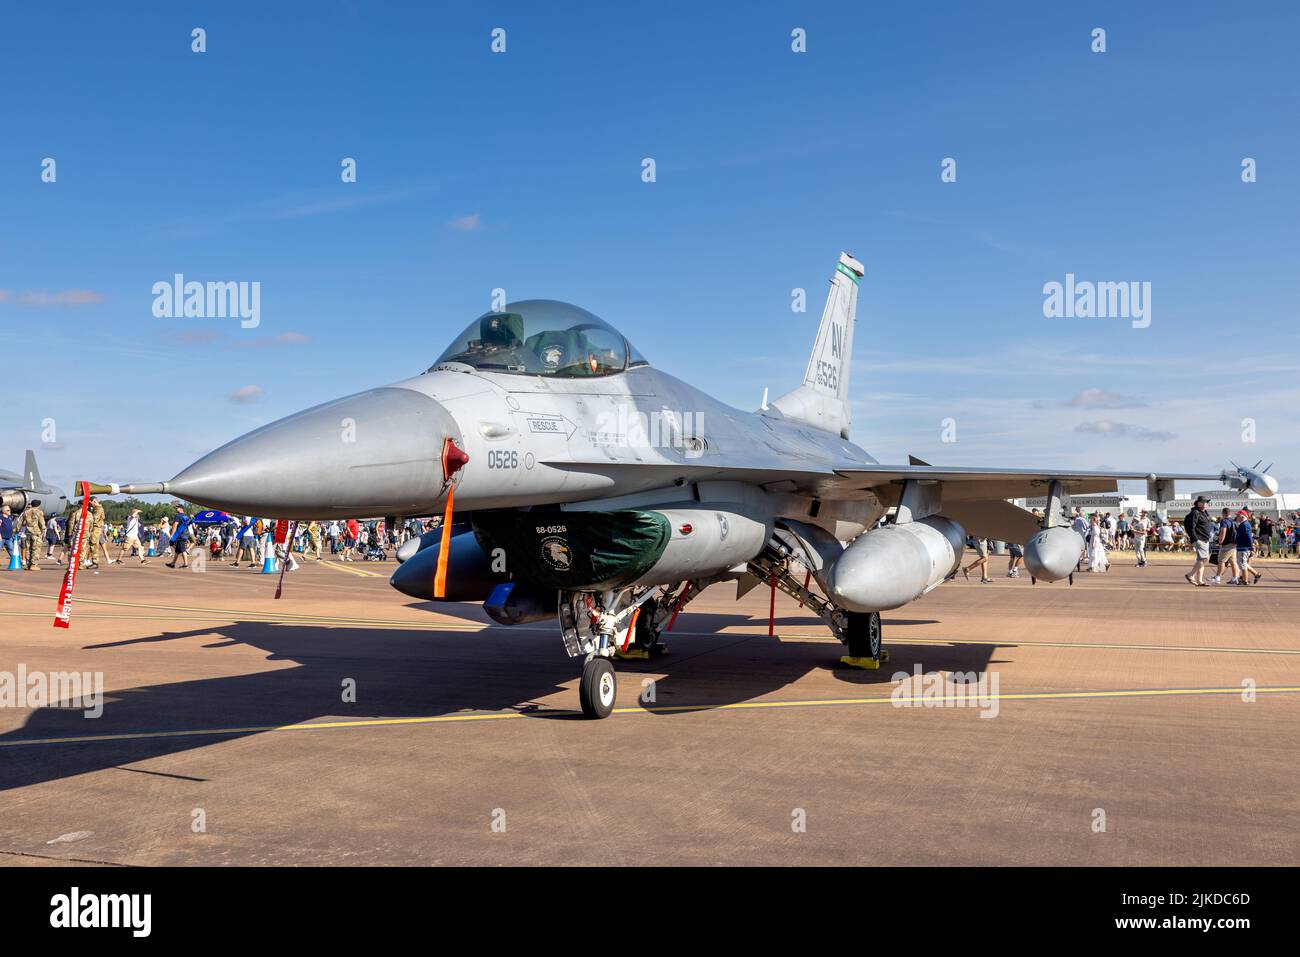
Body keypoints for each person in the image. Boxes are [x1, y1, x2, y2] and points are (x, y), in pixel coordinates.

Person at [1184, 496, 1214, 586]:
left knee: (1201, 559)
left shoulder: (1204, 512)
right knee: (1204, 558)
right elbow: (1191, 527)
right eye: (1203, 502)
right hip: (1200, 539)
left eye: (1207, 502)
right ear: (1198, 503)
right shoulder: (1195, 513)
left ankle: (1200, 580)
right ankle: (1190, 575)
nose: (1206, 504)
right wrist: (1196, 539)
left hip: (1205, 539)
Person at [1211, 508, 1239, 585]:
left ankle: (1217, 577)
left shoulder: (1224, 521)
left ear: (1223, 513)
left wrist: (1220, 542)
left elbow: (1223, 532)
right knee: (1233, 561)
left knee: (1221, 561)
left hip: (1227, 544)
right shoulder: (1233, 521)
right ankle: (1235, 578)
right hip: (1233, 543)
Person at [1235, 509, 1262, 585]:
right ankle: (1256, 574)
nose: (1237, 516)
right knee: (1242, 563)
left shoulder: (1245, 524)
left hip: (1244, 547)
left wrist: (1250, 547)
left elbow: (1248, 536)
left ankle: (1245, 580)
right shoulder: (1242, 524)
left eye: (1238, 515)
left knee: (1242, 564)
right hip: (1242, 546)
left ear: (1242, 516)